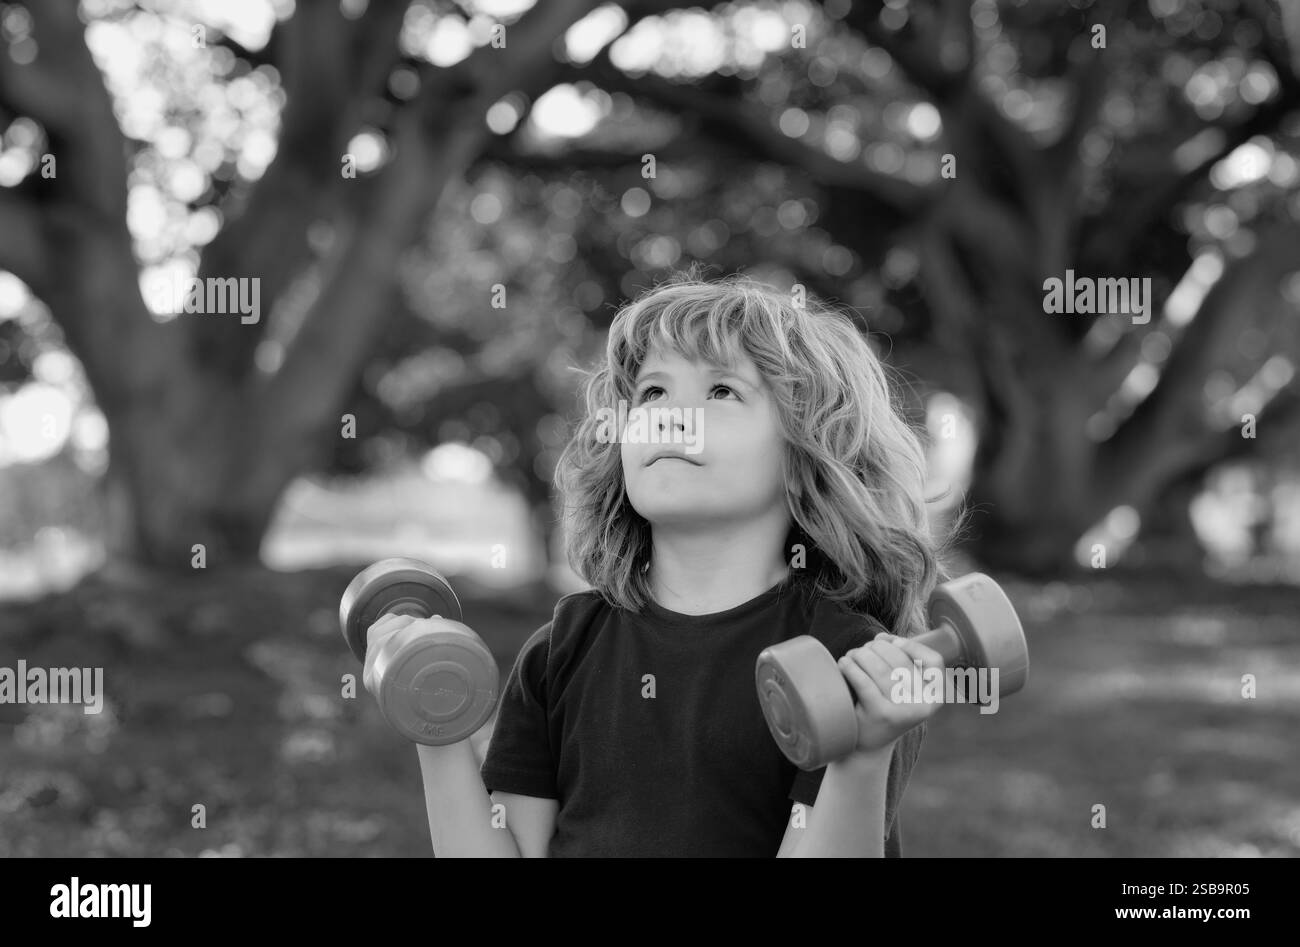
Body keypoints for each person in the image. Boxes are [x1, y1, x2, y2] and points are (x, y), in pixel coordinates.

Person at [366, 270, 964, 856]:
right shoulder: (561, 653)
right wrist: (433, 725)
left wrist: (862, 756)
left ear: (807, 450)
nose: (670, 415)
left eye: (722, 390)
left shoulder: (851, 663)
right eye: (652, 392)